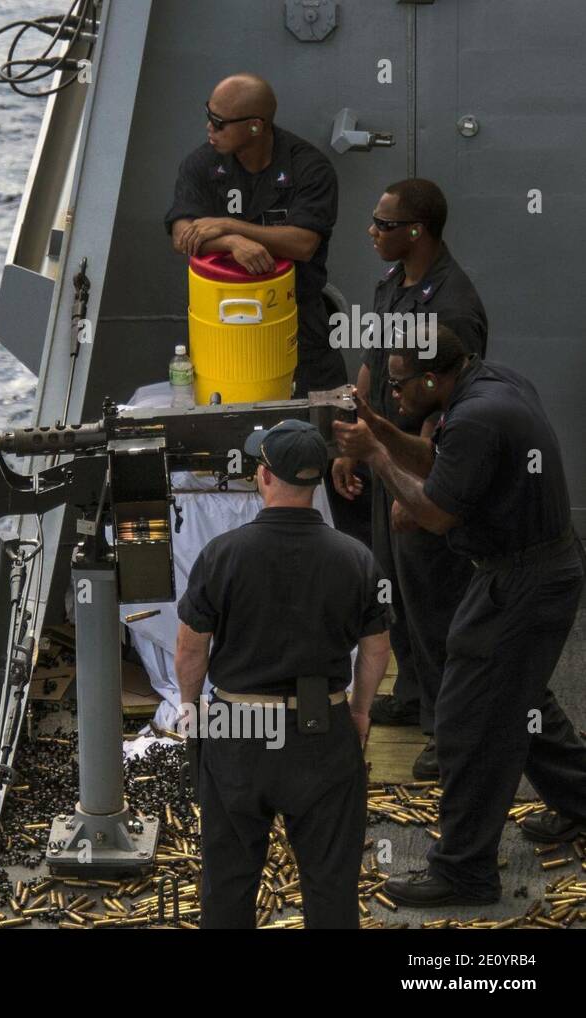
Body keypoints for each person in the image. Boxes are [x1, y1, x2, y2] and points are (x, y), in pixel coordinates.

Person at [334, 328, 586, 906]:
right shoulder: (482, 388)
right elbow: (442, 463)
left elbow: (435, 511)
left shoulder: (477, 415)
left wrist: (375, 455)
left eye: (399, 385)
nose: (393, 393)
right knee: (516, 695)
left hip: (525, 579)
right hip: (522, 570)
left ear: (431, 378)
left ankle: (466, 871)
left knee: (470, 718)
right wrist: (380, 430)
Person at [175, 419, 391, 928]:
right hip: (322, 729)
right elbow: (377, 649)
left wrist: (192, 708)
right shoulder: (356, 558)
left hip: (238, 728)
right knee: (331, 885)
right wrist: (358, 711)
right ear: (315, 482)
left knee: (228, 883)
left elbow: (189, 649)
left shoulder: (222, 554)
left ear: (265, 477)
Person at [331, 179, 488, 779]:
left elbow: (451, 406)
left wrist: (419, 492)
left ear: (416, 231)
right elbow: (373, 359)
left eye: (382, 222)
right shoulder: (393, 284)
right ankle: (418, 692)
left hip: (423, 465)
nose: (371, 231)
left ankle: (448, 731)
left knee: (436, 604)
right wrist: (352, 433)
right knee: (393, 588)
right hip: (385, 450)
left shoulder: (454, 307)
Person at [165, 73, 344, 397]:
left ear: (255, 126)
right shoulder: (202, 165)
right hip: (224, 325)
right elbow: (182, 235)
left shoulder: (309, 168)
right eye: (208, 115)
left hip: (297, 321)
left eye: (219, 122)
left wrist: (232, 225)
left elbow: (303, 244)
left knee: (319, 422)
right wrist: (233, 243)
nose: (209, 127)